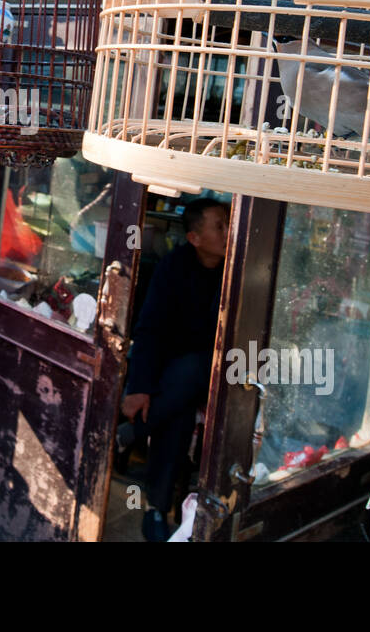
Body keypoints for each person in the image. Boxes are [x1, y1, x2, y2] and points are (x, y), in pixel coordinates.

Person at [119, 197, 230, 542]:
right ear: (195, 238)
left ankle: (132, 434)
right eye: (220, 227)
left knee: (201, 365)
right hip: (174, 379)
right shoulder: (174, 267)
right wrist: (138, 388)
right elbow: (149, 329)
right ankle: (156, 509)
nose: (229, 233)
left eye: (229, 224)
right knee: (179, 416)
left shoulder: (236, 270)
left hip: (221, 375)